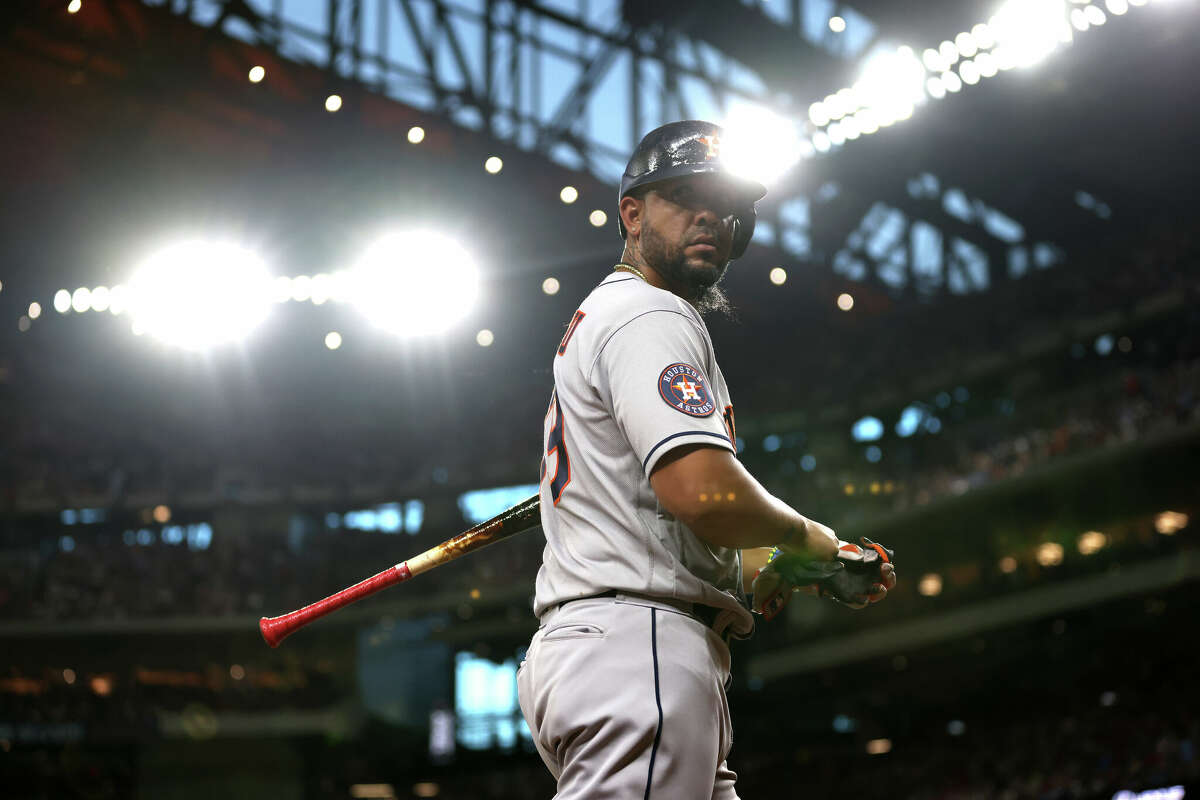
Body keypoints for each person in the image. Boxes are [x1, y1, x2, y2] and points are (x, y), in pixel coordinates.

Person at [517, 120, 896, 799]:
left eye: (724, 205)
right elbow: (701, 491)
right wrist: (811, 535)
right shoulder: (647, 315)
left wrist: (788, 562)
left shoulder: (610, 316)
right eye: (683, 195)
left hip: (617, 647)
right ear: (632, 214)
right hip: (639, 647)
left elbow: (671, 520)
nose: (710, 216)